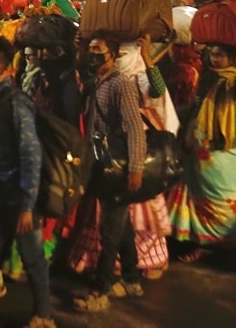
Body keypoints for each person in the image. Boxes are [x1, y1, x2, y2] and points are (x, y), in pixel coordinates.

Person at [0, 34, 54, 328]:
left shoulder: (15, 102)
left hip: (18, 198)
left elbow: (30, 155)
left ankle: (44, 314)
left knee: (33, 259)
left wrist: (27, 205)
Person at [73, 33, 145, 313]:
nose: (93, 55)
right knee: (121, 227)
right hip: (104, 166)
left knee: (111, 230)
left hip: (119, 167)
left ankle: (100, 290)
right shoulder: (98, 82)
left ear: (113, 56)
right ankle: (130, 279)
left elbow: (134, 126)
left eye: (98, 51)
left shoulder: (120, 85)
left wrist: (135, 167)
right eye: (91, 50)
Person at [168, 42, 236, 257]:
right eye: (213, 55)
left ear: (231, 58)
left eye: (221, 56)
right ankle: (201, 243)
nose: (216, 59)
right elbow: (197, 105)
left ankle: (233, 242)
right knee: (200, 199)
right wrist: (172, 115)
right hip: (200, 145)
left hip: (227, 149)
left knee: (226, 198)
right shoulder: (207, 77)